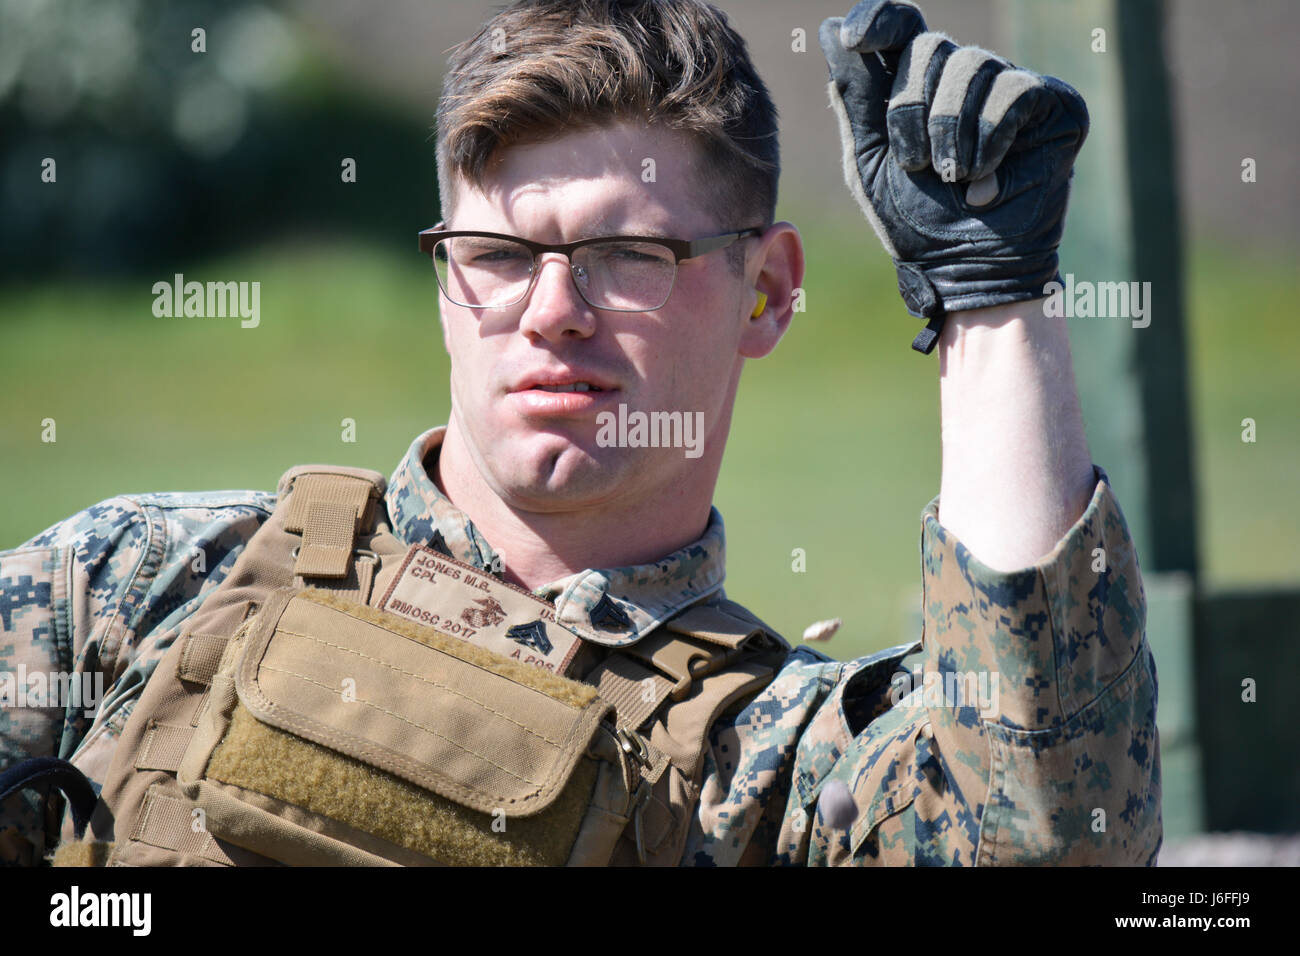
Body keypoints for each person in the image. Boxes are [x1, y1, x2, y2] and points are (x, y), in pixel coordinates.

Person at [0, 0, 1160, 866]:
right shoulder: (143, 581)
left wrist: (991, 293)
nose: (552, 310)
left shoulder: (769, 765)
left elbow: (1048, 833)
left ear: (766, 291)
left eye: (627, 255)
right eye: (499, 258)